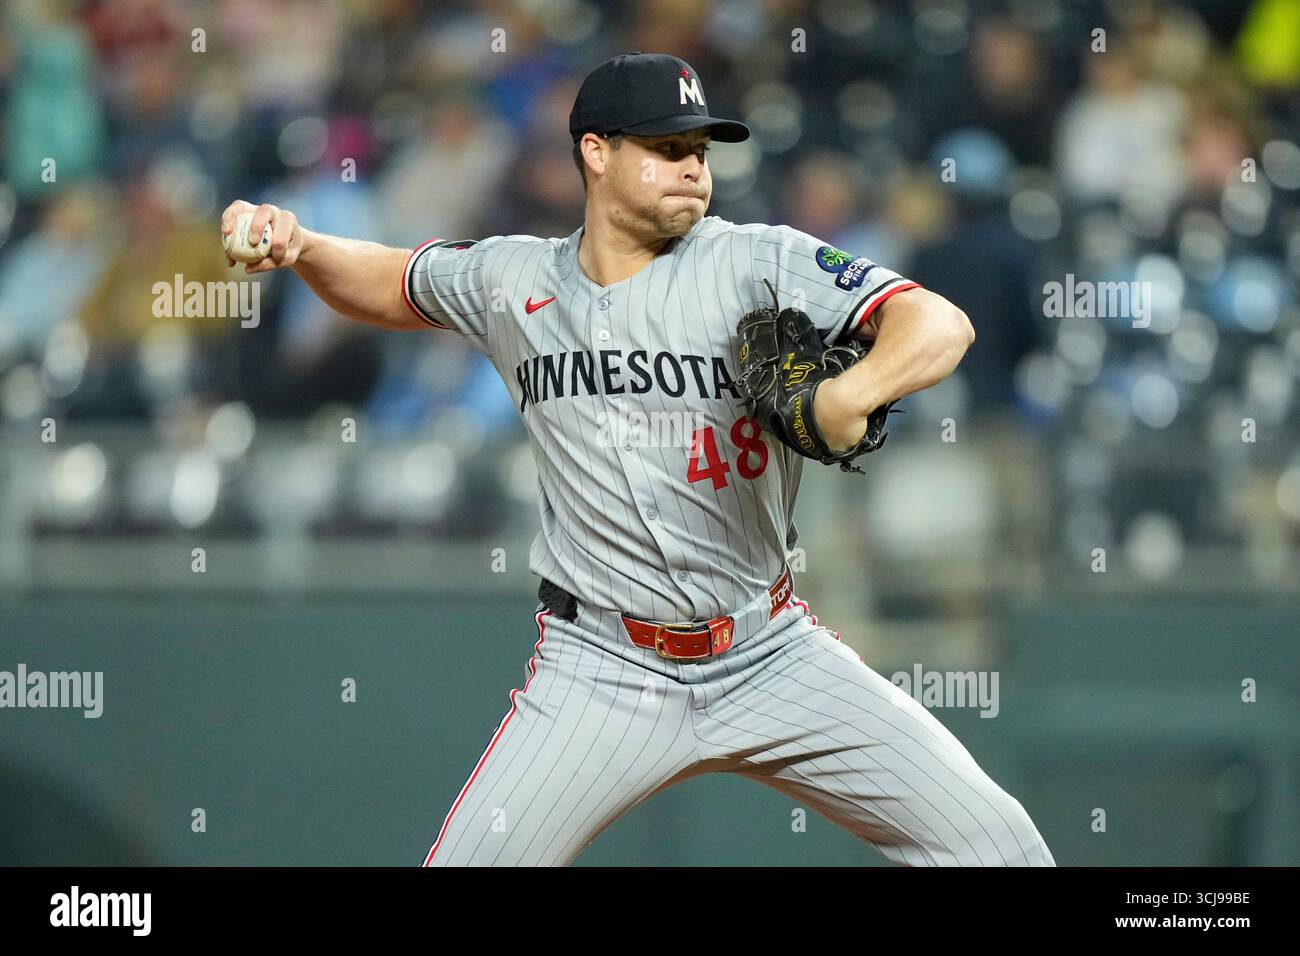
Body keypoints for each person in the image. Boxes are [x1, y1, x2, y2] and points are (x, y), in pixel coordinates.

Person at [220, 52, 1055, 867]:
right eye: (666, 149)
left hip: (769, 653)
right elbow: (393, 280)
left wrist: (851, 389)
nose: (693, 168)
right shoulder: (513, 280)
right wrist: (302, 246)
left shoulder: (755, 259)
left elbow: (938, 323)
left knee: (997, 842)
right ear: (596, 152)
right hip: (602, 670)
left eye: (699, 151)